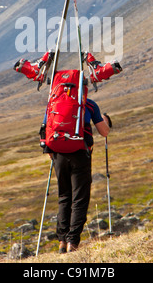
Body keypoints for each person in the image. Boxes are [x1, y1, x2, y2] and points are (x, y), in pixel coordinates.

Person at [46, 98, 111, 254]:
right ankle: (72, 243)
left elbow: (46, 129)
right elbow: (104, 132)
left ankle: (62, 242)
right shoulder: (89, 104)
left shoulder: (54, 103)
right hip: (81, 153)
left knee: (64, 197)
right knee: (79, 198)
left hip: (59, 154)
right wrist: (104, 121)